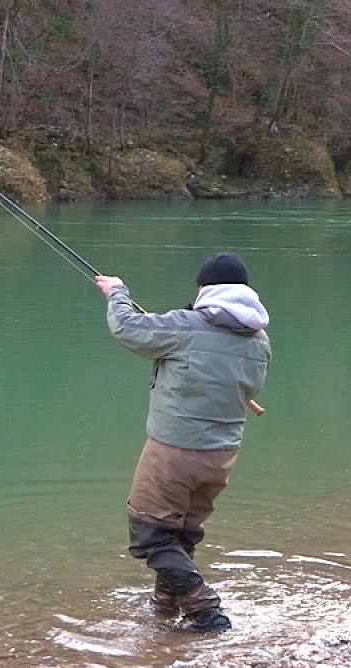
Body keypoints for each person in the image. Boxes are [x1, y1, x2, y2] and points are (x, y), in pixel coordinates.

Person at [94, 252, 270, 633]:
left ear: (204, 288)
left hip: (174, 452)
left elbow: (129, 328)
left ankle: (206, 610)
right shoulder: (259, 341)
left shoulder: (185, 326)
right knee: (181, 533)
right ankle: (164, 608)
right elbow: (251, 386)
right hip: (222, 457)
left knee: (152, 533)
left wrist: (117, 292)